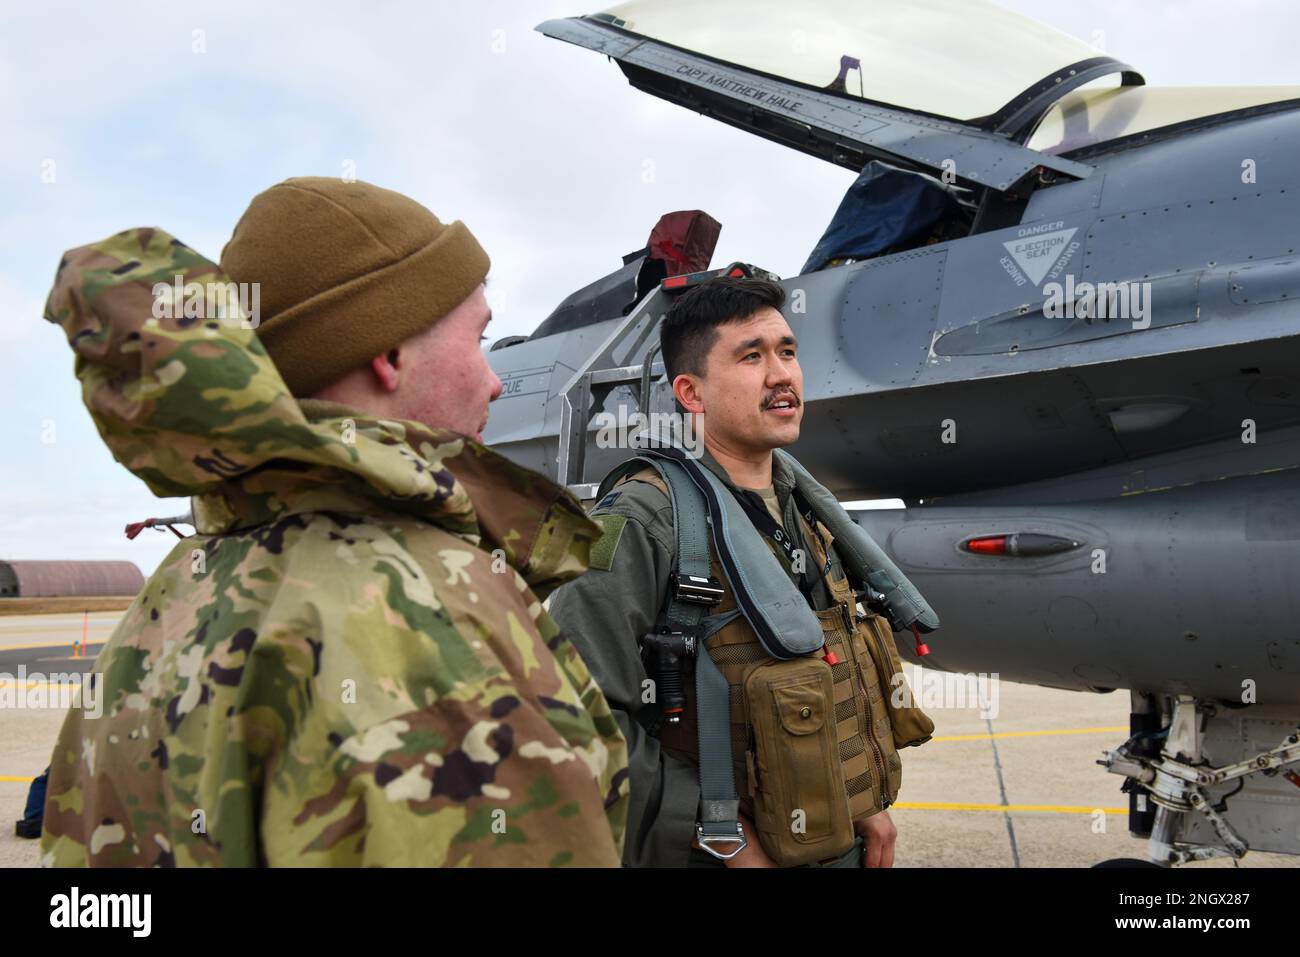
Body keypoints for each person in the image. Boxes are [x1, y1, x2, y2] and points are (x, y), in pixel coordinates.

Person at [39, 177, 628, 866]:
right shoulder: (419, 605)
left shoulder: (173, 592)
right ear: (390, 353)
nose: (495, 378)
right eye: (481, 337)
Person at [548, 276, 934, 868]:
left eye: (787, 351)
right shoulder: (638, 521)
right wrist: (717, 835)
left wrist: (861, 804)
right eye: (751, 356)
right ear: (690, 392)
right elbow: (571, 722)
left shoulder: (808, 514)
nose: (782, 374)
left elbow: (819, 675)